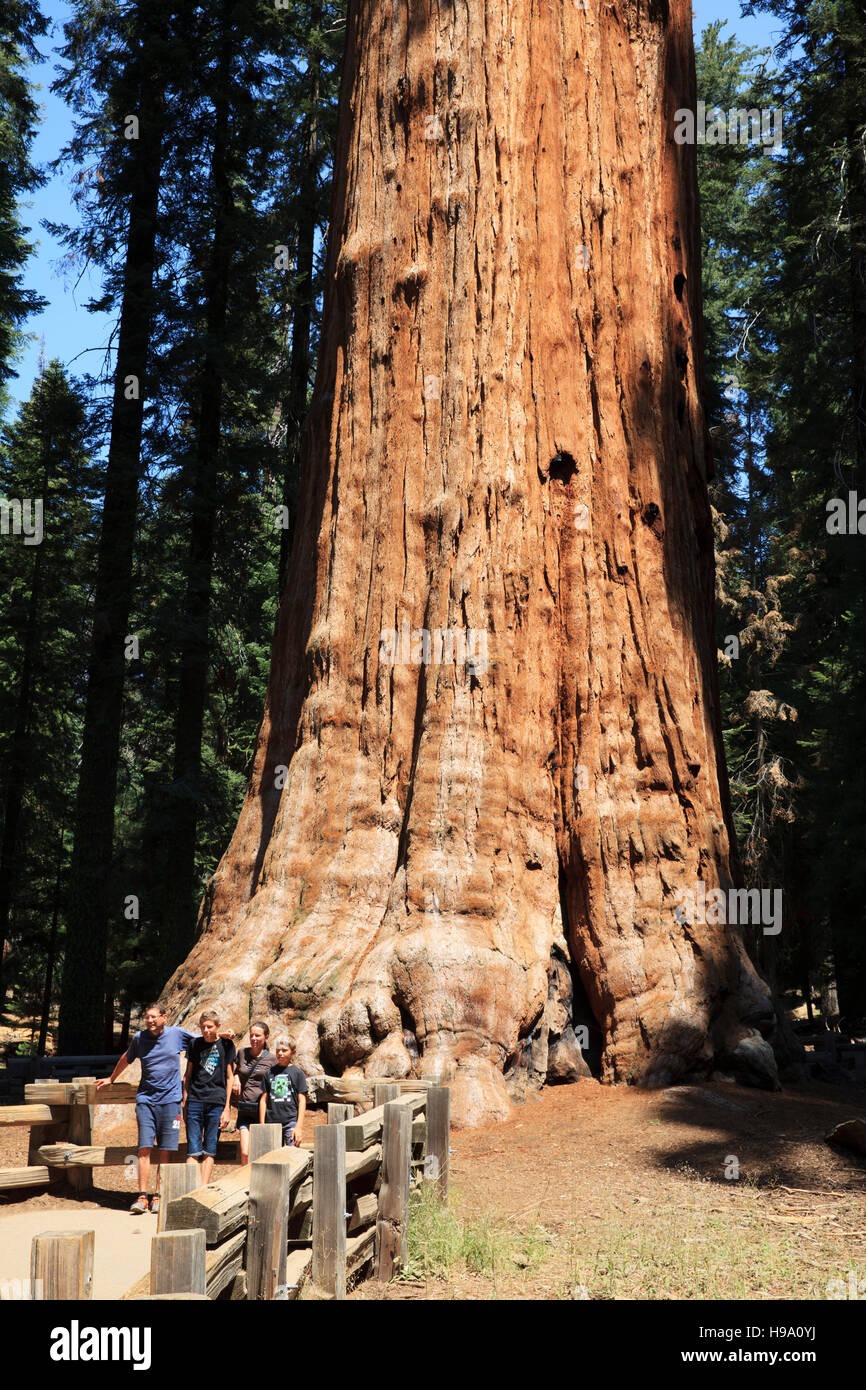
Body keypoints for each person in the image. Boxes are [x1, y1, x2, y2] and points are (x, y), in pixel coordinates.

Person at [96, 1002, 233, 1215]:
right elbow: (126, 1058)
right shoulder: (140, 1039)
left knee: (166, 1149)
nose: (150, 1021)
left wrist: (223, 1036)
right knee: (144, 1147)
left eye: (154, 1017)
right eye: (147, 1017)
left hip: (171, 1101)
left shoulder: (177, 1034)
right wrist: (112, 1078)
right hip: (146, 1100)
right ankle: (142, 1196)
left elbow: (202, 1040)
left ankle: (159, 1195)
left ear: (164, 1017)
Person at [182, 1011, 237, 1185]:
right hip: (195, 1101)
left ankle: (203, 1188)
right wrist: (185, 1101)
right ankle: (190, 1189)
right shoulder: (194, 1044)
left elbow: (229, 1077)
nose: (206, 1030)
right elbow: (187, 1075)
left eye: (210, 1026)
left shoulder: (227, 1045)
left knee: (210, 1149)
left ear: (218, 1026)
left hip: (217, 1102)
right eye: (203, 1026)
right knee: (193, 1150)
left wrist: (227, 1107)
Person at [232, 1021, 275, 1165]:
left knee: (262, 1152)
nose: (254, 1039)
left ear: (266, 1037)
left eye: (258, 1035)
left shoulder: (272, 1059)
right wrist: (236, 1078)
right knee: (245, 1152)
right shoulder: (242, 1053)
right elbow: (236, 1070)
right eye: (251, 1035)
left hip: (264, 1110)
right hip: (246, 1108)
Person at [259, 1037, 307, 1147]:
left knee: (293, 1155)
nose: (280, 1053)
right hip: (272, 1122)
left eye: (284, 1050)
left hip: (291, 1121)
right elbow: (263, 1100)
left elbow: (302, 1101)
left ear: (293, 1052)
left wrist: (299, 1127)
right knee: (272, 1156)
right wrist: (262, 1125)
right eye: (277, 1050)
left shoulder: (297, 1073)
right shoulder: (269, 1073)